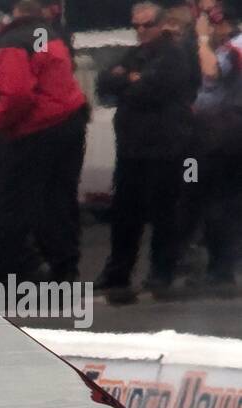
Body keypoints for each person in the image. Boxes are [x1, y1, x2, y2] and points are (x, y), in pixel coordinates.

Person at [95, 3, 197, 303]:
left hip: (164, 148)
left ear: (161, 23)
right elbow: (105, 82)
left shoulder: (173, 55)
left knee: (164, 214)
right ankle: (118, 272)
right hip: (131, 149)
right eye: (136, 26)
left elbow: (153, 89)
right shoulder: (134, 54)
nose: (141, 31)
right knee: (125, 214)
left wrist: (128, 80)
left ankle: (162, 273)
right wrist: (129, 78)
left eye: (147, 25)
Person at [0, 0, 90, 284]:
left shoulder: (13, 41)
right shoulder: (51, 36)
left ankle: (11, 274)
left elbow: (17, 94)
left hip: (35, 132)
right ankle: (65, 269)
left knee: (14, 203)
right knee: (60, 200)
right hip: (69, 124)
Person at [191, 0, 242, 294]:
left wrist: (201, 40)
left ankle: (222, 268)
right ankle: (219, 265)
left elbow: (212, 73)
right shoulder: (227, 46)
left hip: (228, 133)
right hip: (217, 131)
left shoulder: (234, 46)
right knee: (219, 201)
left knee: (221, 202)